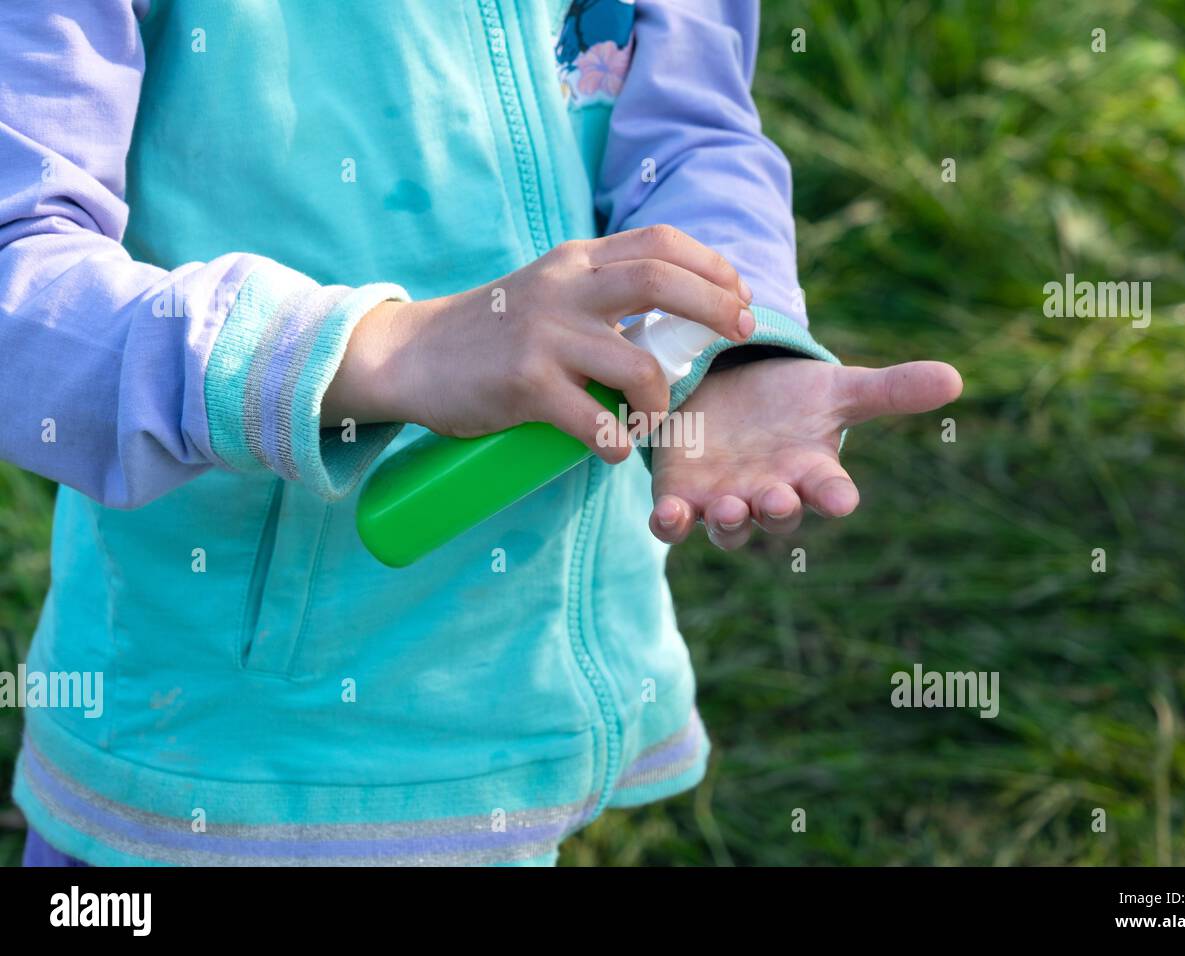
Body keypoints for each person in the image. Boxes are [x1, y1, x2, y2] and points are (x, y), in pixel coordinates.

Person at [0, 0, 961, 865]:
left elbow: (694, 136)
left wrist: (721, 343)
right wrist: (381, 352)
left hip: (516, 692)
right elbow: (23, 281)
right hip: (225, 760)